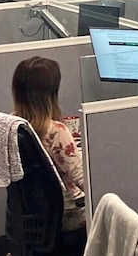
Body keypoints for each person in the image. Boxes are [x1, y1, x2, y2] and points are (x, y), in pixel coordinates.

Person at [11, 57, 86, 231]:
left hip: (35, 216)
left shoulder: (14, 124)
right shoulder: (56, 131)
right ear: (51, 94)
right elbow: (85, 182)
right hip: (69, 213)